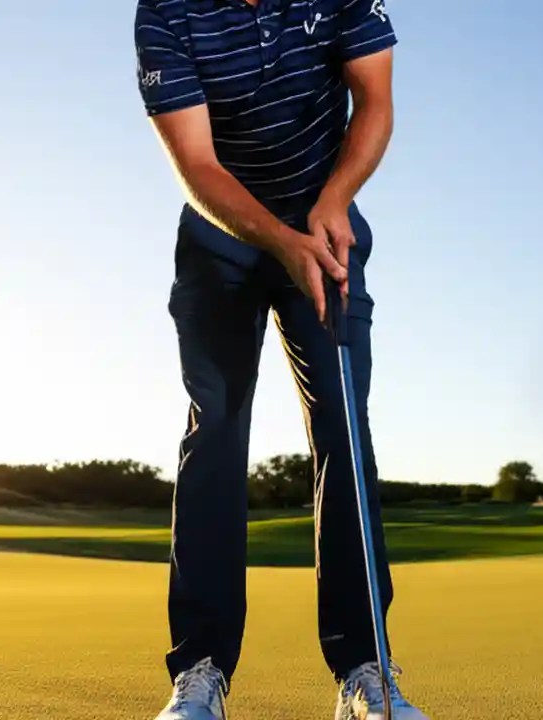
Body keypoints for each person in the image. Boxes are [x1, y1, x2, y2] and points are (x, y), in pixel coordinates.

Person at [134, 1, 427, 718]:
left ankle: (365, 671)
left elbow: (376, 101)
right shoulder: (165, 11)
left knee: (342, 428)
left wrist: (334, 199)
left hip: (323, 222)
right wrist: (279, 242)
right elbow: (196, 163)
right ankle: (200, 673)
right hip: (220, 239)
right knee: (219, 426)